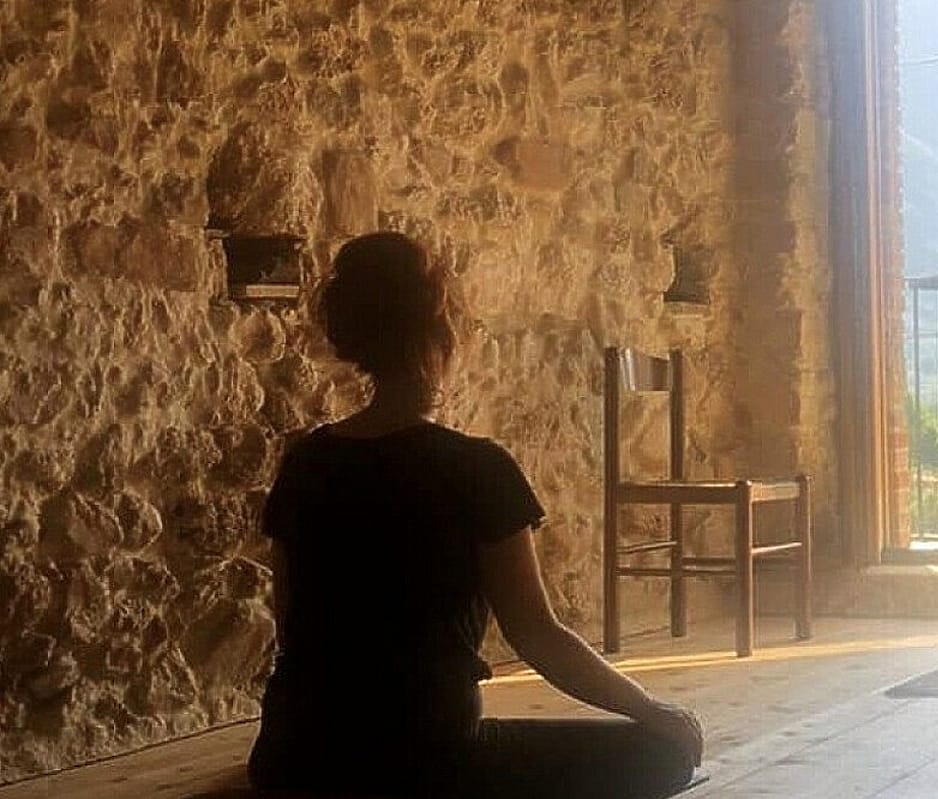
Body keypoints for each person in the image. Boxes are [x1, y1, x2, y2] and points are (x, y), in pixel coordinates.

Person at [247, 232, 702, 798]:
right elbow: (536, 634)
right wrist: (653, 710)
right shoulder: (477, 468)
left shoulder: (305, 462)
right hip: (430, 761)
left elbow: (292, 624)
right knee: (659, 755)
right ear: (440, 339)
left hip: (292, 758)